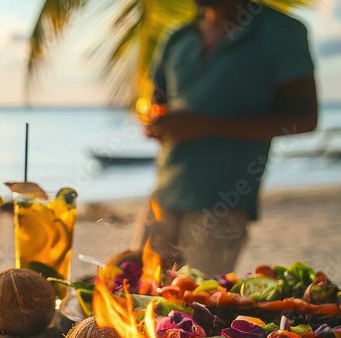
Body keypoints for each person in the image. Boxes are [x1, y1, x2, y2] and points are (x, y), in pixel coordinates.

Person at [134, 0, 318, 276]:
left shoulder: (280, 31)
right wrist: (155, 125)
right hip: (163, 197)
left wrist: (209, 126)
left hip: (222, 206)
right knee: (132, 292)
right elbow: (156, 105)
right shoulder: (177, 38)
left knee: (199, 301)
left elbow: (305, 119)